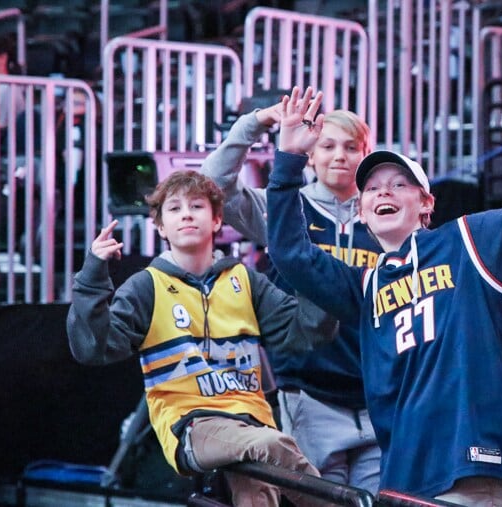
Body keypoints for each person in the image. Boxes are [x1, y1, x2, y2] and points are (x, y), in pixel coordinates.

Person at [266, 37, 502, 505]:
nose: (386, 191)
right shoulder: (367, 280)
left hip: (470, 461)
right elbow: (291, 253)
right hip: (402, 467)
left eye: (401, 184)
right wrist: (288, 164)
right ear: (360, 210)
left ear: (425, 204)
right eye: (374, 186)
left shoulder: (470, 240)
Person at [66, 170, 335, 507]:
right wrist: (92, 274)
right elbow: (93, 348)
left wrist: (304, 262)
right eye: (175, 209)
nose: (187, 214)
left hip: (253, 419)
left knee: (259, 490)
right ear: (161, 226)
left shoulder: (243, 279)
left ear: (218, 219)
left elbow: (306, 332)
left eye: (197, 206)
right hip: (191, 425)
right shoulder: (146, 286)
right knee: (270, 446)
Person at [201, 105, 383, 491]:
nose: (339, 155)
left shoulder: (385, 215)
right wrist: (253, 124)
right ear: (310, 153)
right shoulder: (282, 207)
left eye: (351, 147)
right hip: (310, 393)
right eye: (327, 145)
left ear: (366, 155)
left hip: (376, 393)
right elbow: (211, 186)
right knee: (320, 498)